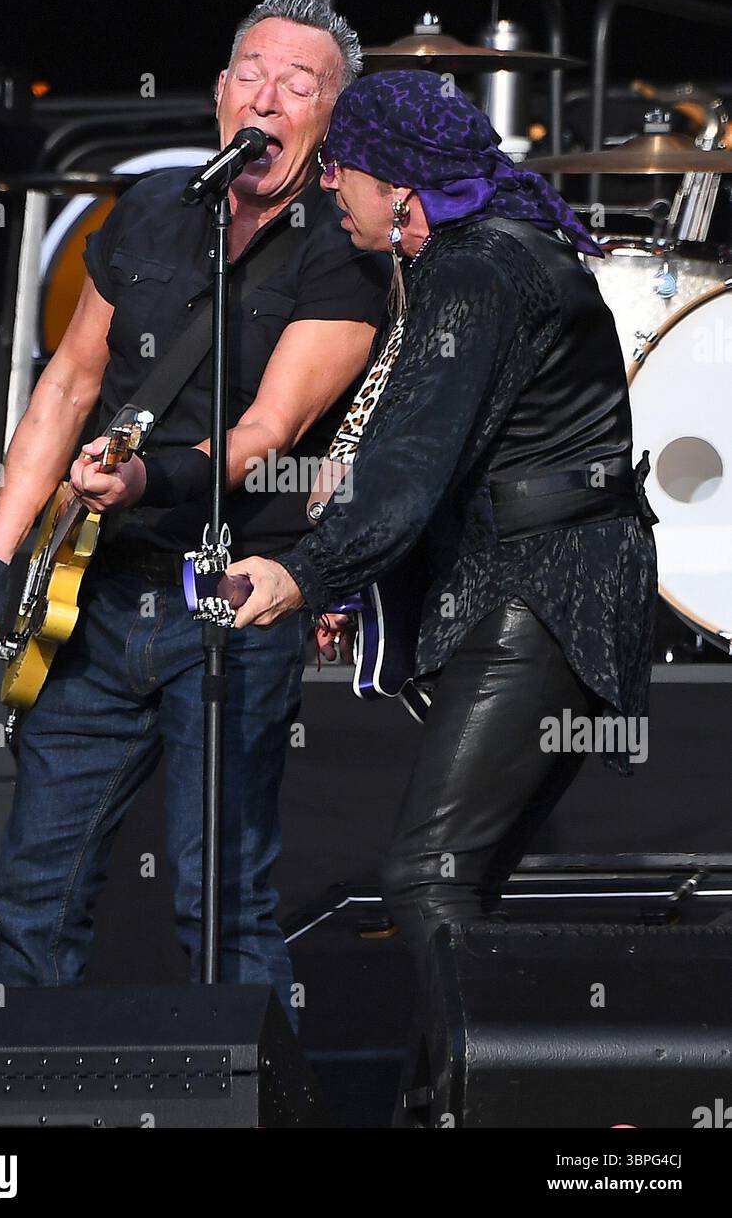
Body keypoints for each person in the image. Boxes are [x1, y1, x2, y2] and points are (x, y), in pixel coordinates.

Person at [0, 0, 389, 1018]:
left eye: (298, 84)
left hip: (231, 605)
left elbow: (269, 430)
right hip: (97, 597)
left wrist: (150, 476)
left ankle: (255, 1093)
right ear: (220, 93)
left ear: (331, 118)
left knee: (219, 899)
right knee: (36, 893)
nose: (267, 98)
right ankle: (23, 1091)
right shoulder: (146, 208)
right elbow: (67, 385)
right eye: (251, 75)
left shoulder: (340, 248)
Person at [229, 69, 658, 976]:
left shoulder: (476, 270)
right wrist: (355, 573)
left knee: (428, 877)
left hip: (543, 592)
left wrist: (306, 571)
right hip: (546, 576)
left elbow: (414, 461)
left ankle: (499, 1061)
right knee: (463, 876)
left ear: (398, 187)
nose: (327, 182)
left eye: (341, 165)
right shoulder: (488, 252)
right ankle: (464, 1066)